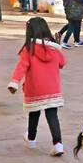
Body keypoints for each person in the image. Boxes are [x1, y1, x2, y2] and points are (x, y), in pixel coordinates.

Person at [8, 16, 66, 154]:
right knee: (52, 116)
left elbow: (21, 67)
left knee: (34, 114)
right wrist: (58, 48)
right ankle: (58, 144)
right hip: (53, 88)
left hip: (34, 88)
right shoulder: (54, 49)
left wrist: (14, 83)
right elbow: (62, 63)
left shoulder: (29, 49)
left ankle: (31, 139)